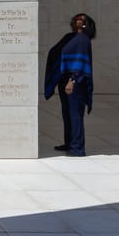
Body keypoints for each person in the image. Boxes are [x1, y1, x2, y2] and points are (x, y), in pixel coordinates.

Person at [42, 13, 90, 152]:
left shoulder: (82, 40)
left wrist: (73, 80)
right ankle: (69, 143)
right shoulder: (69, 37)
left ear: (85, 24)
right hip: (64, 80)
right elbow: (56, 52)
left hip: (74, 82)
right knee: (67, 114)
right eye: (75, 19)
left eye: (80, 20)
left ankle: (77, 148)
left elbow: (80, 62)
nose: (76, 21)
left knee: (75, 115)